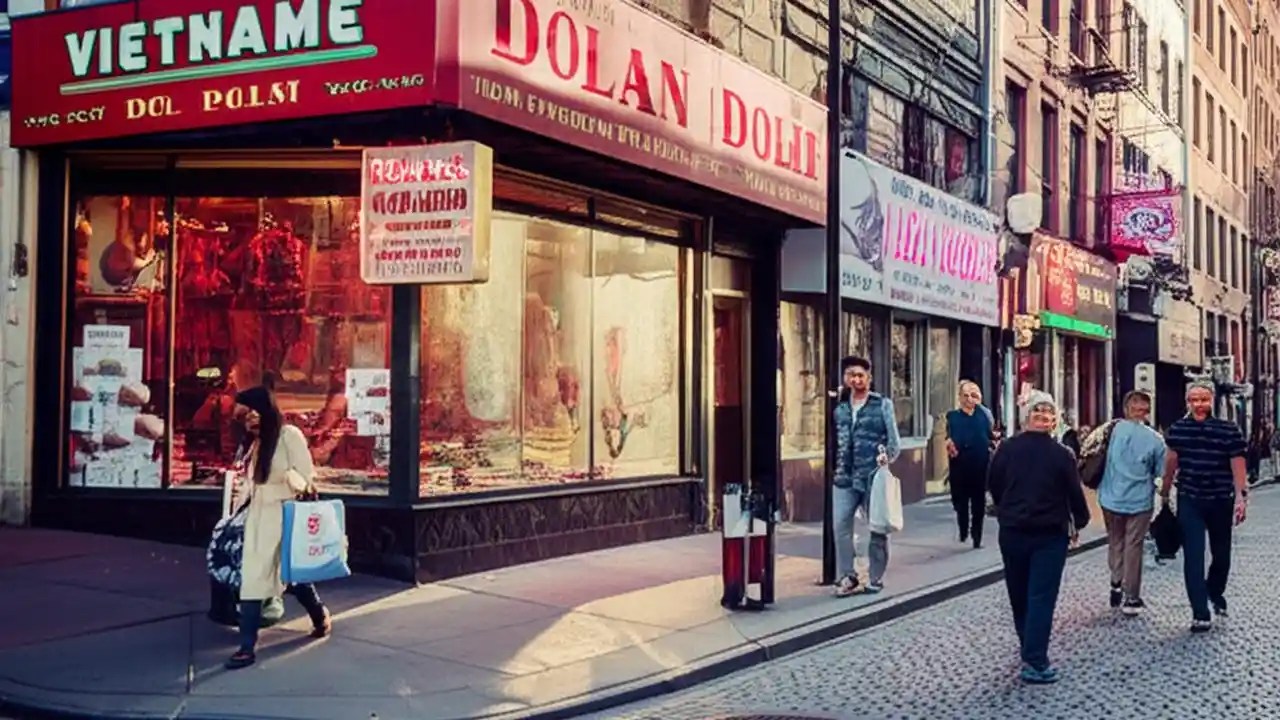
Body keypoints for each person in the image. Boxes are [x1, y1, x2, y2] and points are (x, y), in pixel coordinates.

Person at [225, 385, 332, 670]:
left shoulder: (288, 436)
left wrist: (289, 479)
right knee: (254, 577)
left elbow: (306, 476)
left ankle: (319, 615)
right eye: (244, 415)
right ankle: (247, 646)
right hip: (259, 518)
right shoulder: (254, 443)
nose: (249, 419)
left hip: (286, 514)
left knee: (294, 575)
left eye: (253, 412)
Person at [987, 391, 1090, 684]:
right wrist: (1079, 521)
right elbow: (1074, 494)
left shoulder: (1007, 449)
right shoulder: (1062, 455)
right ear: (1027, 418)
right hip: (1049, 534)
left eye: (1047, 413)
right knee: (1041, 595)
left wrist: (1006, 507)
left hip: (1015, 530)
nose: (1043, 417)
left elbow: (994, 483)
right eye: (1038, 412)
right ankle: (1034, 658)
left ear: (1054, 420)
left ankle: (1029, 646)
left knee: (1020, 592)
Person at [1160, 381, 1249, 634]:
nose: (1199, 405)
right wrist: (1164, 493)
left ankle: (1214, 591)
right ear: (1187, 402)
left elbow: (1237, 464)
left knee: (1222, 556)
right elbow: (1171, 464)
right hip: (1190, 499)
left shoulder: (1228, 430)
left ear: (1212, 401)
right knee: (1193, 557)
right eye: (1194, 400)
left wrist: (1241, 497)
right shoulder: (1178, 430)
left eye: (1204, 399)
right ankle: (1200, 612)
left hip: (1221, 499)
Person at [831, 356, 901, 597]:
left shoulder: (882, 405)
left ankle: (875, 577)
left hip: (872, 477)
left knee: (878, 527)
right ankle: (848, 576)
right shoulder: (840, 409)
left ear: (869, 378)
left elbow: (894, 442)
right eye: (851, 375)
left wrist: (885, 459)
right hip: (844, 476)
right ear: (845, 378)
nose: (856, 379)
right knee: (840, 526)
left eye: (860, 375)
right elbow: (834, 442)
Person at [1095, 390, 1166, 615]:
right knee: (1134, 545)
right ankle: (1131, 597)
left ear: (1126, 409)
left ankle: (1116, 581)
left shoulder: (1111, 430)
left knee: (1115, 540)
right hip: (1139, 501)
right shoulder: (1155, 440)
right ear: (1147, 411)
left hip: (1110, 497)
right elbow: (1161, 472)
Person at [945, 380, 994, 548]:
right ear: (959, 397)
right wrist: (949, 444)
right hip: (959, 464)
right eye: (965, 395)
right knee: (960, 501)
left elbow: (990, 435)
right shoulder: (953, 416)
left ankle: (977, 536)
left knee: (978, 503)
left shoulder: (983, 415)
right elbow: (947, 436)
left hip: (979, 464)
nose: (969, 399)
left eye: (973, 395)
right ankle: (963, 528)